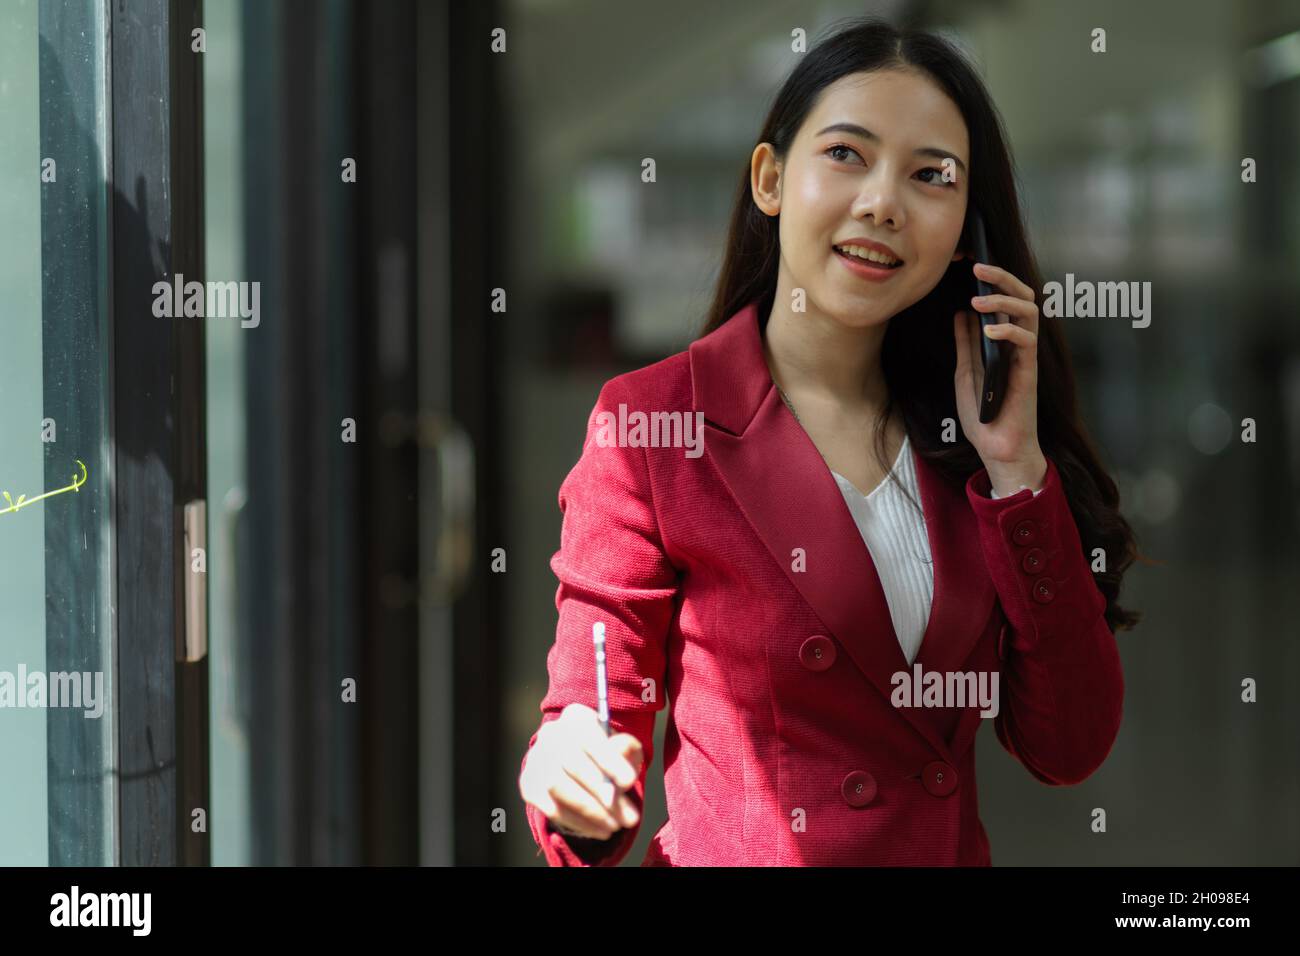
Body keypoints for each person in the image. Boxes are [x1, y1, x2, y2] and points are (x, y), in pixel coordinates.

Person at [518, 16, 1140, 866]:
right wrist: (571, 771)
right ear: (771, 180)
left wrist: (1017, 472)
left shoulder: (973, 437)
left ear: (967, 230)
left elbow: (1068, 747)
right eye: (846, 154)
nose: (884, 202)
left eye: (931, 175)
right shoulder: (653, 425)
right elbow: (593, 710)